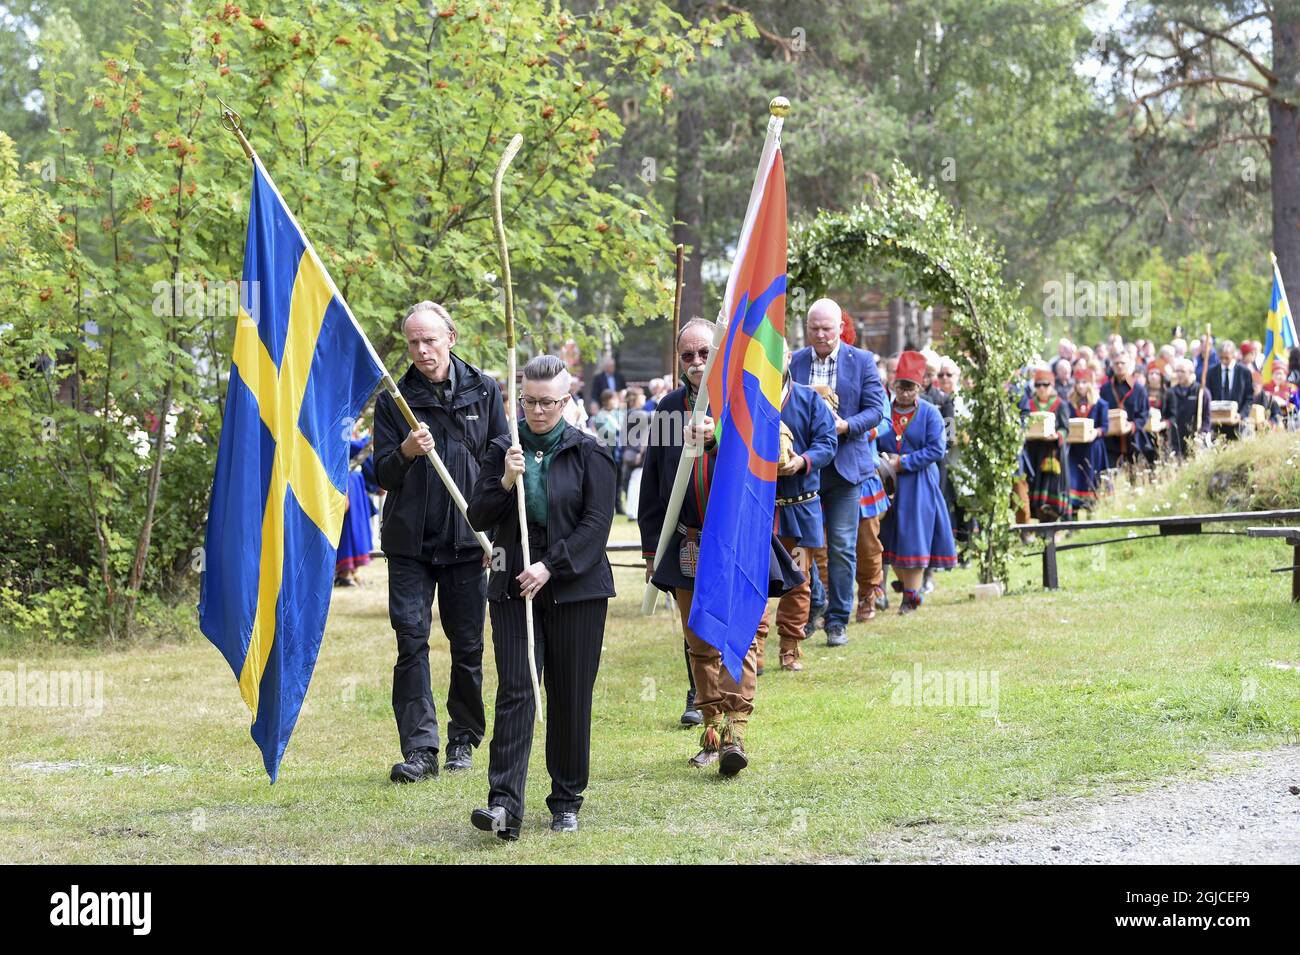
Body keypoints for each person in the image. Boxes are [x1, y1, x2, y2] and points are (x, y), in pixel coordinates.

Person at [639, 318, 802, 775]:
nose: (695, 363)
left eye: (704, 353)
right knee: (700, 641)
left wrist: (718, 439)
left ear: (720, 353)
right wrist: (653, 550)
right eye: (687, 355)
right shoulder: (669, 410)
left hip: (739, 543)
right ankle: (711, 730)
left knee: (744, 636)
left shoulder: (744, 400)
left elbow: (765, 459)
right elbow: (653, 482)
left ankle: (736, 733)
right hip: (688, 541)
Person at [465, 355, 616, 840]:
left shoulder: (590, 453)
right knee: (517, 690)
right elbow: (478, 514)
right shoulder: (500, 451)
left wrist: (551, 566)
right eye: (528, 401)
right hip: (513, 589)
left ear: (566, 401)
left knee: (570, 693)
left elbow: (596, 527)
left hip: (576, 589)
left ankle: (566, 799)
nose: (537, 411)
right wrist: (507, 481)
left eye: (547, 403)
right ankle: (503, 803)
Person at [373, 301, 508, 783]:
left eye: (430, 340)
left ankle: (463, 738)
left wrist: (499, 529)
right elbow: (381, 471)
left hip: (469, 540)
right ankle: (420, 748)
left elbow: (503, 461)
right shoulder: (394, 398)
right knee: (411, 641)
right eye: (413, 342)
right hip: (411, 543)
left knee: (467, 644)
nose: (422, 350)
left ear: (451, 337)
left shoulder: (484, 390)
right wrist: (407, 451)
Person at [789, 298, 886, 647]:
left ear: (840, 328)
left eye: (826, 328)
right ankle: (814, 601)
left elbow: (876, 410)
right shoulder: (795, 361)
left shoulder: (860, 361)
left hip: (845, 468)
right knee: (805, 544)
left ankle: (837, 619)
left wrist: (846, 425)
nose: (820, 335)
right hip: (804, 467)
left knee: (843, 546)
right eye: (813, 328)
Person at [759, 346, 837, 672]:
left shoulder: (809, 400)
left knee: (797, 580)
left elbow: (827, 443)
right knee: (756, 581)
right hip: (759, 510)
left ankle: (790, 648)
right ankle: (755, 651)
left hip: (799, 510)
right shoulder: (749, 398)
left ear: (789, 359)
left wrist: (801, 462)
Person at [878, 351, 956, 614]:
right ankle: (904, 586)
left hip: (919, 485)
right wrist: (884, 459)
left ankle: (911, 595)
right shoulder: (884, 411)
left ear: (920, 387)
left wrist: (905, 461)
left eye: (911, 388)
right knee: (890, 536)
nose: (905, 393)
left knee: (914, 536)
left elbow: (937, 449)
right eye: (901, 387)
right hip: (888, 485)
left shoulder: (931, 414)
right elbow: (874, 439)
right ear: (893, 386)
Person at [1024, 366, 1072, 521]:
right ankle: (1036, 519)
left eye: (1045, 385)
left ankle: (1053, 523)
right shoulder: (1029, 405)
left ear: (1052, 386)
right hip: (1034, 451)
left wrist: (1057, 435)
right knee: (1034, 485)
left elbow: (1065, 428)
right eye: (1038, 385)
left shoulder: (1060, 404)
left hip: (1053, 453)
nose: (1041, 388)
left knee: (1053, 487)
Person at [335, 426, 376, 587]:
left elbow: (363, 454)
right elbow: (352, 446)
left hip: (356, 483)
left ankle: (354, 572)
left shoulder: (356, 426)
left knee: (358, 528)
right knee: (348, 528)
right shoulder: (343, 423)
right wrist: (367, 440)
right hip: (347, 482)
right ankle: (344, 573)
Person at [1066, 368, 1108, 515]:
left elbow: (1105, 427)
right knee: (1074, 480)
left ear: (1090, 384)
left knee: (1090, 479)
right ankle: (1074, 517)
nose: (1080, 386)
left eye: (1084, 382)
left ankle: (1091, 514)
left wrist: (1095, 432)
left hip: (1093, 448)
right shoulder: (1070, 404)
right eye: (1078, 382)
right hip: (1075, 449)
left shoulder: (1100, 404)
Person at [1100, 351, 1151, 470]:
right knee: (1110, 477)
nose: (1119, 366)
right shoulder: (1105, 389)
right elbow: (1100, 413)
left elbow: (1144, 415)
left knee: (1134, 480)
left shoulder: (1139, 389)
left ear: (1129, 365)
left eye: (1122, 363)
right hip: (1111, 442)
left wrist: (1132, 426)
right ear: (1112, 365)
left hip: (1133, 441)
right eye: (1116, 363)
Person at [1163, 357, 1211, 458]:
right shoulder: (1171, 392)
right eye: (1177, 371)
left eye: (1182, 371)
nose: (1179, 374)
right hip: (1175, 439)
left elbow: (1207, 418)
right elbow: (1166, 416)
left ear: (1191, 372)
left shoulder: (1201, 392)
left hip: (1194, 438)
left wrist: (1202, 434)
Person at [1207, 340, 1253, 440]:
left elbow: (1249, 397)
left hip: (1238, 422)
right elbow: (1208, 395)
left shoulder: (1244, 372)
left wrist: (1241, 415)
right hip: (1217, 423)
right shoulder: (1212, 372)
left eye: (1226, 358)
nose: (1224, 361)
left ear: (1233, 355)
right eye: (1221, 358)